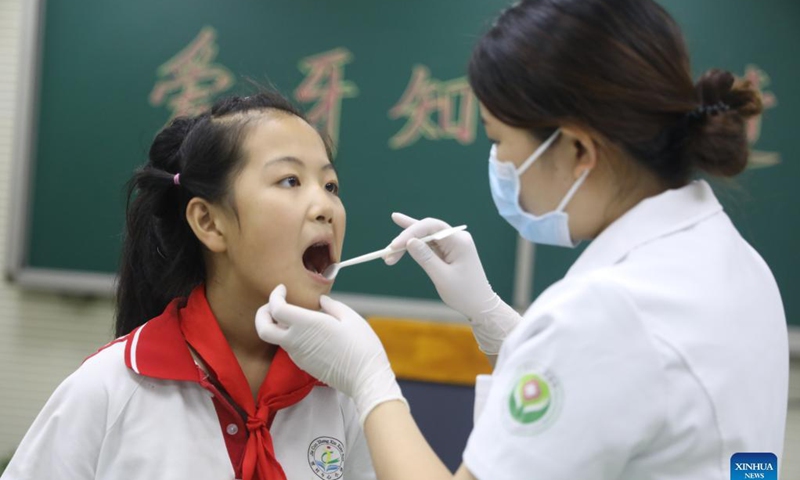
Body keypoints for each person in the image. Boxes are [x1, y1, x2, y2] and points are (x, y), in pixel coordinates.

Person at [254, 1, 789, 479]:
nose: (501, 165)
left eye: (499, 140)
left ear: (578, 150)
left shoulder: (603, 314)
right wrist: (491, 318)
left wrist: (368, 379)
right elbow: (619, 388)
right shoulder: (738, 266)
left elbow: (603, 353)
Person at [2, 92, 376, 480]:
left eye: (331, 186)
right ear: (209, 222)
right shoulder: (109, 388)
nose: (325, 208)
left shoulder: (341, 392)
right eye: (290, 180)